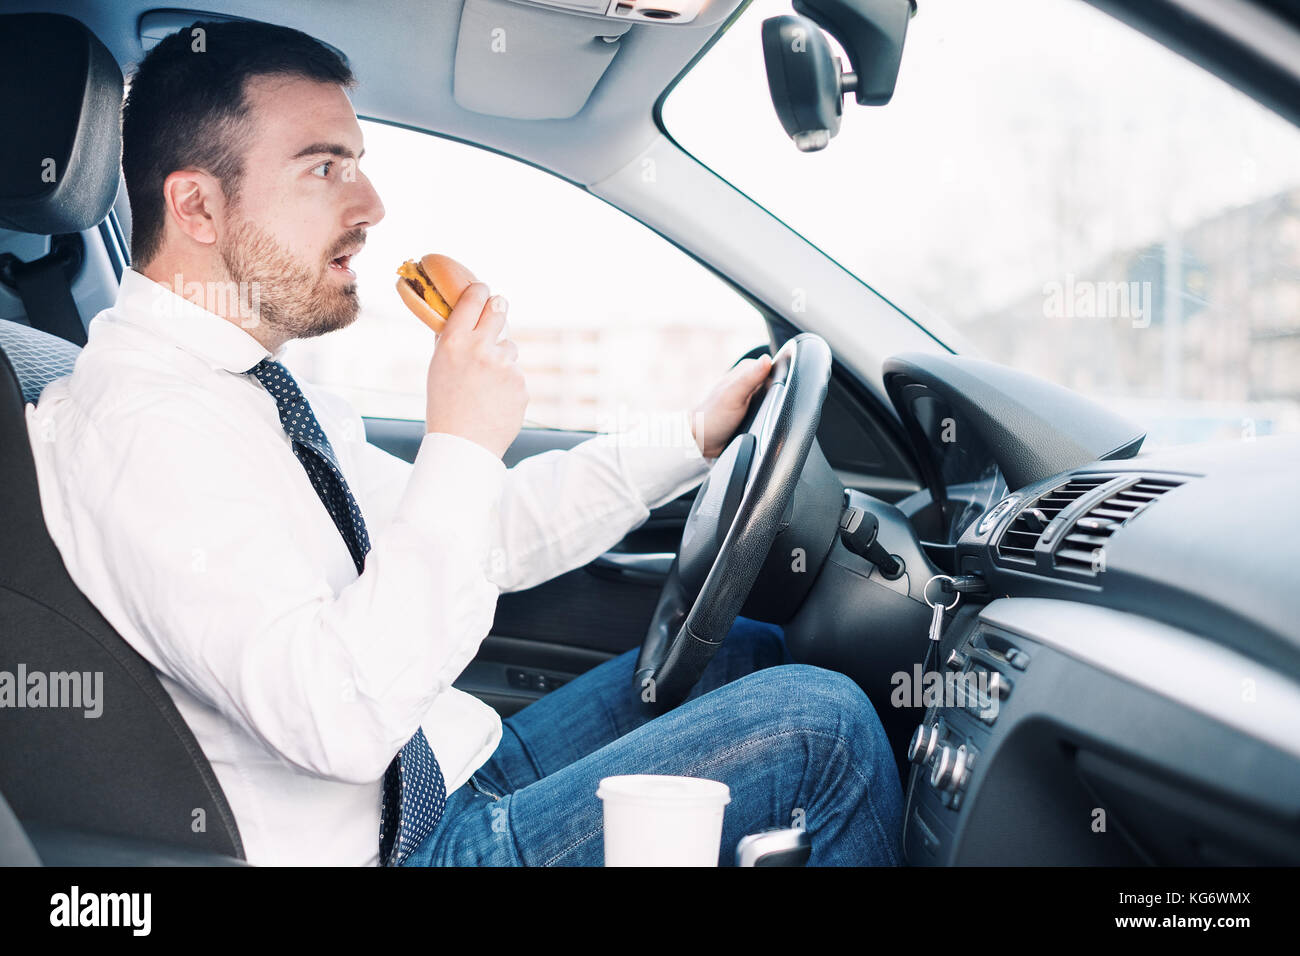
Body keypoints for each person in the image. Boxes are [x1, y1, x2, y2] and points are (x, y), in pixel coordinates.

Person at [25, 19, 903, 866]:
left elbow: (485, 534)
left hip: (448, 775)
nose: (372, 205)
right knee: (817, 727)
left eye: (359, 165)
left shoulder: (252, 390)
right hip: (401, 847)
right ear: (197, 206)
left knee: (750, 650)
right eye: (325, 166)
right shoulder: (145, 431)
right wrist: (462, 438)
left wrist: (694, 437)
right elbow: (339, 717)